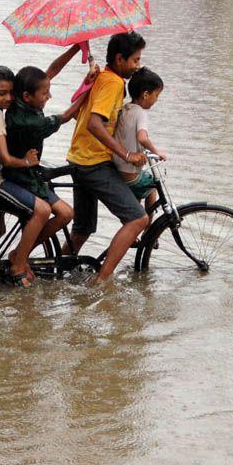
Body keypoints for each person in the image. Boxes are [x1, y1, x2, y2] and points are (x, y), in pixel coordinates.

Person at [65, 32, 151, 285]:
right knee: (138, 218)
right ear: (119, 59)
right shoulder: (112, 83)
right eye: (135, 60)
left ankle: (55, 271)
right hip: (94, 163)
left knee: (82, 230)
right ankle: (101, 282)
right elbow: (94, 124)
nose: (138, 66)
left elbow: (82, 115)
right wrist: (126, 154)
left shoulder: (102, 76)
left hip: (79, 158)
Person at [1, 66, 87, 285]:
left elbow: (49, 72)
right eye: (45, 93)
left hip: (32, 174)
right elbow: (66, 116)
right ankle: (19, 263)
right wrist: (89, 91)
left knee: (66, 213)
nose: (49, 96)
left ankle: (20, 253)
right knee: (45, 211)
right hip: (20, 176)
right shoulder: (31, 123)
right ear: (27, 96)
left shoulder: (23, 101)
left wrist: (77, 55)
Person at [0, 66, 47, 279]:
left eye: (11, 93)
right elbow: (5, 158)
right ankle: (18, 264)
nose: (8, 98)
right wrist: (26, 162)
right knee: (41, 210)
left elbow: (44, 78)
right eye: (2, 93)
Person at [113, 67, 167, 224]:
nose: (156, 100)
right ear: (145, 94)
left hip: (117, 170)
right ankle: (148, 230)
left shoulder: (124, 109)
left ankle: (133, 225)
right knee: (153, 187)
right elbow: (142, 138)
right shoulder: (141, 113)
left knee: (136, 200)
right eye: (156, 95)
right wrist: (156, 152)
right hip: (131, 175)